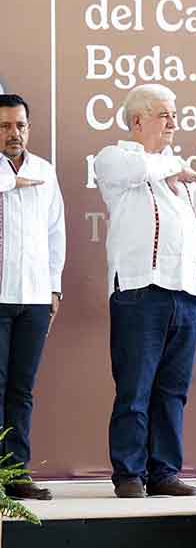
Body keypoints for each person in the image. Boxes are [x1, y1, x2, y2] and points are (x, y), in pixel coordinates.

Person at [93, 84, 196, 498]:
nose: (173, 122)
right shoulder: (115, 159)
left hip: (182, 293)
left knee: (173, 390)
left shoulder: (180, 174)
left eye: (174, 114)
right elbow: (140, 170)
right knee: (135, 387)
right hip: (140, 291)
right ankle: (128, 472)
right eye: (164, 114)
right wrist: (172, 167)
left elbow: (195, 235)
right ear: (138, 120)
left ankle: (163, 471)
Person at [0, 94, 64, 500]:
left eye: (20, 125)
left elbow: (55, 232)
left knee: (22, 388)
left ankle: (15, 472)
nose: (14, 133)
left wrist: (54, 287)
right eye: (5, 126)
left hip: (35, 297)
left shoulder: (44, 170)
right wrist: (10, 182)